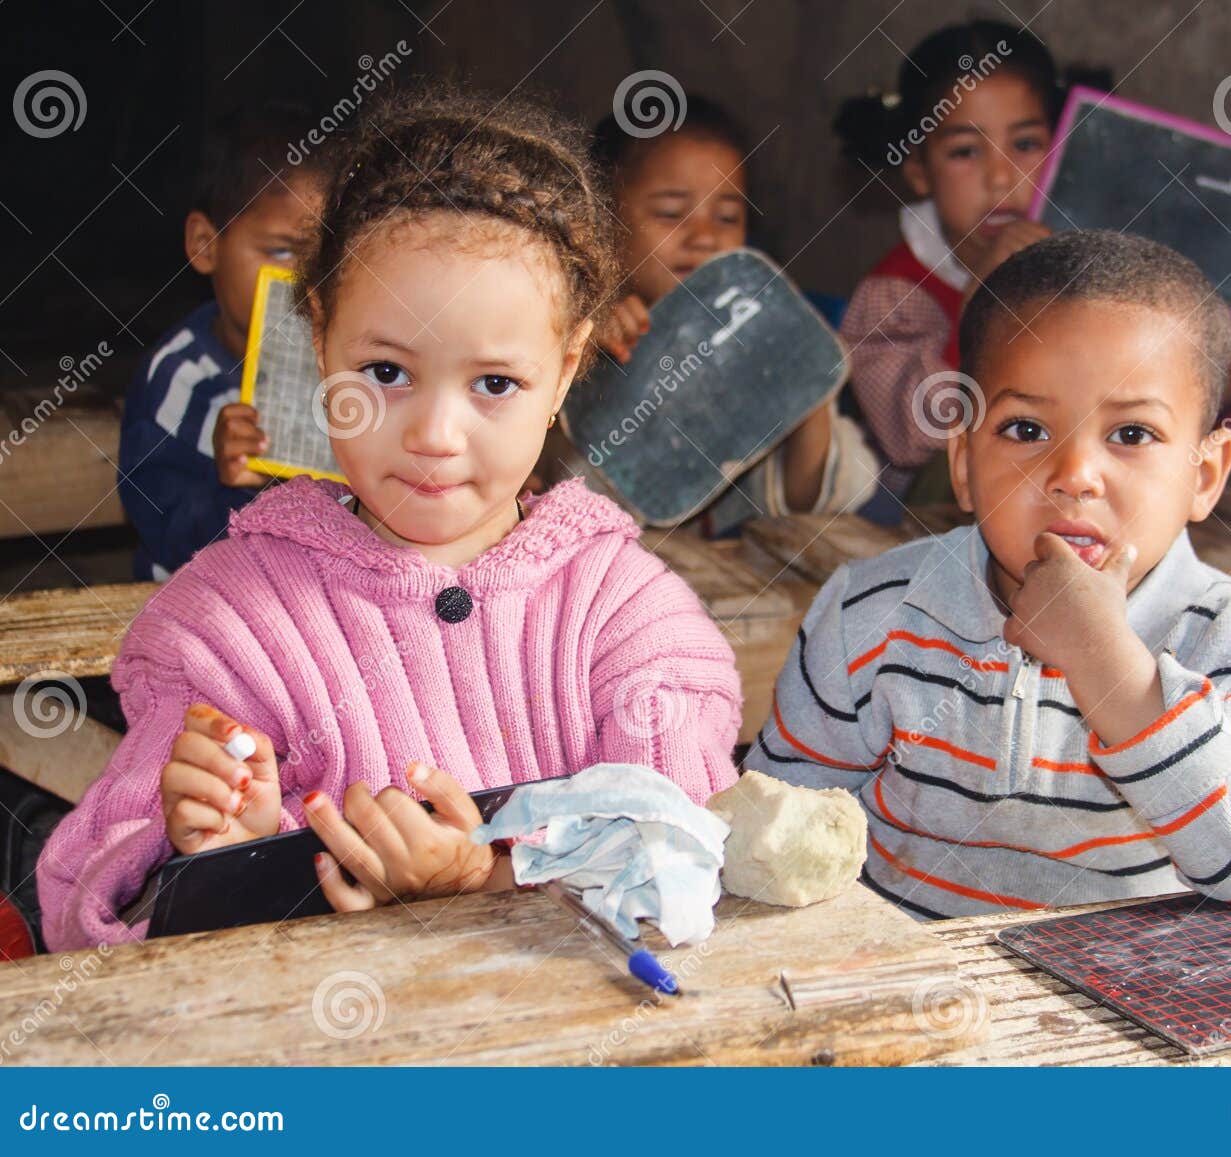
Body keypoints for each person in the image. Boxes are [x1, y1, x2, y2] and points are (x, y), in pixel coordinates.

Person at [39, 86, 742, 951]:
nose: (434, 436)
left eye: (494, 383)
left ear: (563, 373)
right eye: (384, 371)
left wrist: (483, 876)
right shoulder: (227, 630)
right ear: (320, 338)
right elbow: (86, 919)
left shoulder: (629, 624)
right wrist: (239, 861)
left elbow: (691, 875)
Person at [746, 230, 1231, 917]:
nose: (1074, 475)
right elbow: (776, 839)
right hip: (902, 995)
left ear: (1204, 475)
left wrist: (1110, 667)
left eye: (1131, 434)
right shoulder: (870, 614)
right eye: (1025, 430)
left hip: (1131, 1011)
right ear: (962, 462)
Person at [834, 19, 1231, 504]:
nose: (1000, 177)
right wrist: (984, 304)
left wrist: (1222, 389)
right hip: (929, 529)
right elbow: (912, 438)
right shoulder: (895, 294)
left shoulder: (1090, 282)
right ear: (919, 172)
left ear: (1065, 150)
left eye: (1027, 145)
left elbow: (1120, 427)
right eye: (966, 151)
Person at [540, 95, 878, 536]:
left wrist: (802, 385)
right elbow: (547, 481)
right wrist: (581, 351)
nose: (704, 237)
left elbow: (823, 499)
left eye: (726, 216)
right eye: (670, 213)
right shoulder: (560, 328)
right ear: (601, 223)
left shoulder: (749, 346)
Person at [118, 103, 331, 580]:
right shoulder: (183, 379)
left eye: (327, 258)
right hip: (189, 607)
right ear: (205, 245)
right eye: (280, 251)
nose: (304, 282)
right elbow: (166, 533)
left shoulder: (347, 363)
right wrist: (230, 486)